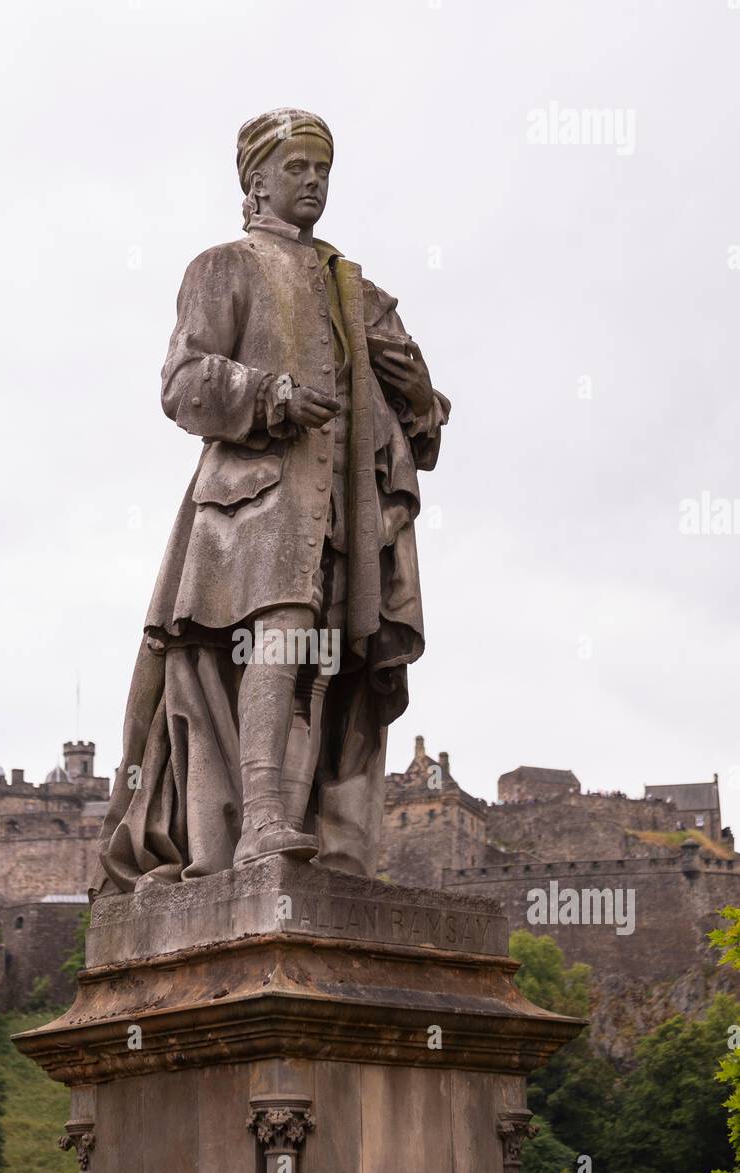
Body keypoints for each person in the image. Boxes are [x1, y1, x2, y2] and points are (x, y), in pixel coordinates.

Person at [91, 108, 450, 895]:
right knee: (279, 637)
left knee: (340, 670)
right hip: (250, 510)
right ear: (255, 181)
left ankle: (315, 832)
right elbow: (184, 385)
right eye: (296, 168)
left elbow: (417, 398)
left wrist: (414, 398)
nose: (314, 181)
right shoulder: (224, 267)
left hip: (344, 517)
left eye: (322, 169)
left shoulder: (356, 289)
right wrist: (272, 394)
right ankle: (258, 823)